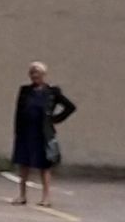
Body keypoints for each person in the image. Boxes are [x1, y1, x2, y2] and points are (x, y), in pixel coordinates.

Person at [11, 62, 77, 207]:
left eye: (38, 73)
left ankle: (46, 198)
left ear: (43, 75)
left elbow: (70, 107)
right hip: (25, 132)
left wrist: (54, 119)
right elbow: (18, 111)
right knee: (24, 163)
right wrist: (17, 130)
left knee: (44, 165)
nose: (35, 76)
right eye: (32, 73)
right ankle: (22, 195)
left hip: (42, 133)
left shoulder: (52, 92)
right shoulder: (25, 90)